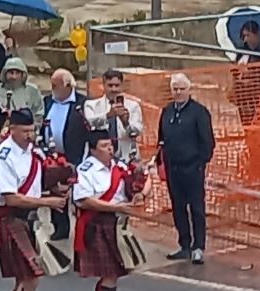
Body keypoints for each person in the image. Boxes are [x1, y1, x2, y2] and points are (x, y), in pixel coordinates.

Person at [0, 108, 70, 291]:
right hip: (11, 219)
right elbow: (11, 198)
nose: (29, 135)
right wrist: (48, 203)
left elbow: (37, 182)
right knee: (30, 277)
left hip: (29, 221)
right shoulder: (3, 157)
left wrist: (58, 187)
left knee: (27, 278)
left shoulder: (34, 153)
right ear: (11, 129)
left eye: (32, 130)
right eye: (24, 131)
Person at [72, 130, 140, 291]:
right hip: (96, 224)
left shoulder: (119, 166)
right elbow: (83, 200)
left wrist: (140, 191)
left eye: (110, 145)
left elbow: (135, 186)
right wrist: (115, 207)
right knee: (110, 272)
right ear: (93, 150)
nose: (110, 149)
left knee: (114, 273)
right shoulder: (85, 170)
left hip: (117, 224)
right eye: (103, 146)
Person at [157, 72, 213, 264]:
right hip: (173, 168)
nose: (179, 92)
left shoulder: (199, 112)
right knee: (178, 208)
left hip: (193, 168)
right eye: (175, 89)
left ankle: (198, 247)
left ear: (189, 89)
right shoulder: (167, 111)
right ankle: (185, 245)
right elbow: (161, 139)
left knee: (196, 208)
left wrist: (200, 163)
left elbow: (207, 141)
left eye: (182, 89)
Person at [83, 69, 145, 162]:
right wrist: (108, 115)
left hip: (127, 157)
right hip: (100, 158)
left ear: (122, 86)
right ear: (103, 85)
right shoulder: (92, 105)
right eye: (110, 85)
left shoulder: (133, 106)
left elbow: (137, 131)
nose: (114, 89)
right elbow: (88, 122)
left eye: (117, 85)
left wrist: (126, 123)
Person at [42, 69, 88, 165]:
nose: (52, 88)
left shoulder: (82, 103)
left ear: (67, 85)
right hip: (48, 158)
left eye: (55, 85)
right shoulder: (47, 101)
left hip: (73, 160)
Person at [231, 20, 260, 126]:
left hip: (257, 97)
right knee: (245, 123)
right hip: (242, 95)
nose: (246, 39)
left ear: (257, 35)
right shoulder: (241, 52)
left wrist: (249, 73)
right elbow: (234, 71)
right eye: (244, 36)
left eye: (248, 35)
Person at [0, 57, 42, 126]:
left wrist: (33, 129)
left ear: (23, 74)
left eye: (17, 73)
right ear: (5, 73)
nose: (14, 77)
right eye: (11, 73)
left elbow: (38, 114)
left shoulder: (32, 90)